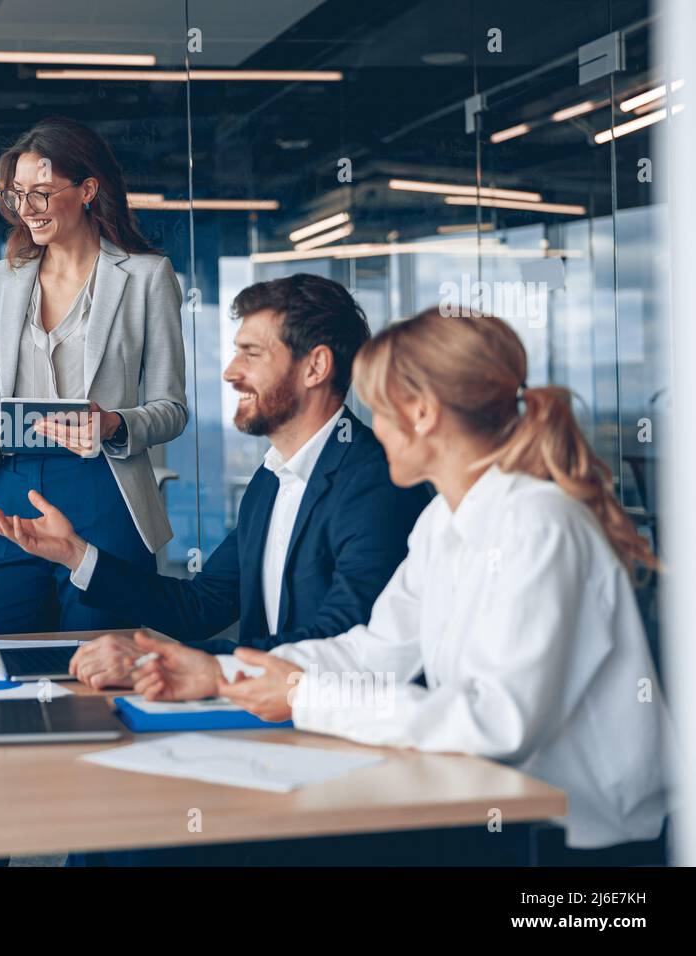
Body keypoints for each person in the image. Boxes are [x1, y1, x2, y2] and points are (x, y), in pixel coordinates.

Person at [135, 307, 670, 858]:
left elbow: (496, 721)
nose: (372, 430)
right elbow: (374, 651)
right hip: (493, 811)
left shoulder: (537, 522)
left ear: (421, 413)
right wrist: (222, 673)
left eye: (380, 410)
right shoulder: (445, 520)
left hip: (579, 841)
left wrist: (302, 695)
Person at [0, 274, 430, 688]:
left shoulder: (377, 484)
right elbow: (199, 607)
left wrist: (159, 662)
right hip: (263, 713)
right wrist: (74, 553)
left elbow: (340, 640)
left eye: (251, 354)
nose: (230, 372)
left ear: (315, 367)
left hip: (328, 726)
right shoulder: (272, 479)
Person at [0, 116, 187, 638]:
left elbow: (171, 409)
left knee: (99, 659)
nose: (26, 210)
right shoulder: (0, 280)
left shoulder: (147, 277)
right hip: (10, 487)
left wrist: (114, 424)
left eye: (41, 193)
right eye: (16, 196)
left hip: (104, 486)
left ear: (87, 190)